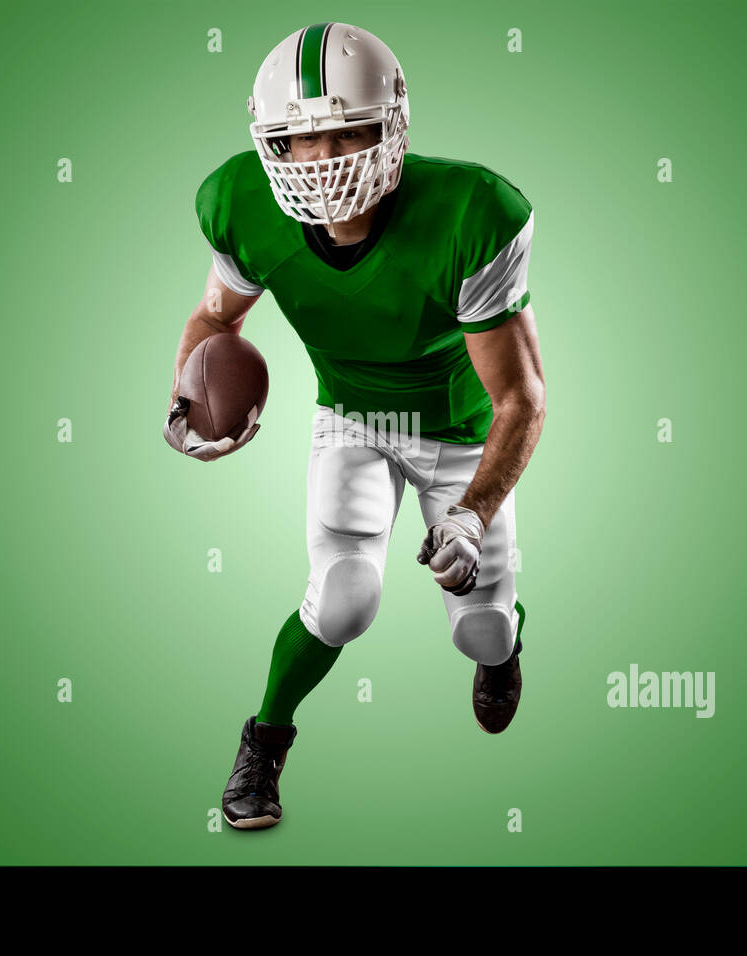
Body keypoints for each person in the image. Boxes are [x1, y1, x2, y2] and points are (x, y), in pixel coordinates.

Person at [164, 22, 545, 829]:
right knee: (341, 602)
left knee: (478, 631)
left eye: (347, 132)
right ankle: (265, 739)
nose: (325, 160)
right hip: (353, 422)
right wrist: (185, 401)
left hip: (462, 432)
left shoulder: (469, 212)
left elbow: (521, 399)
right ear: (269, 146)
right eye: (300, 141)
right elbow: (212, 322)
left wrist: (472, 513)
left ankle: (507, 643)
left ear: (395, 127)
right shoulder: (241, 204)